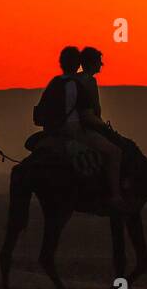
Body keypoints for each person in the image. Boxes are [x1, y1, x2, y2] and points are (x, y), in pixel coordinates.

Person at [33, 45, 123, 210]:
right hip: (73, 130)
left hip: (51, 130)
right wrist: (103, 127)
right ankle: (115, 196)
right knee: (115, 152)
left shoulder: (54, 83)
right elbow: (87, 115)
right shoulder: (79, 84)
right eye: (99, 62)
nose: (101, 65)